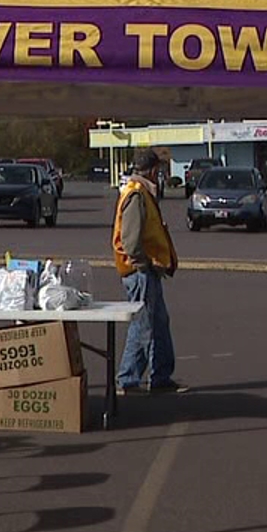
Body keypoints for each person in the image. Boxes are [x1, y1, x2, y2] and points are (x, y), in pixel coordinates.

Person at [113, 150, 184, 395]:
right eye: (160, 171)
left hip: (148, 270)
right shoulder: (135, 195)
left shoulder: (141, 192)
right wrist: (144, 263)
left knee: (159, 323)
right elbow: (130, 241)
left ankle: (161, 376)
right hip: (140, 271)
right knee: (143, 326)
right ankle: (127, 379)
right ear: (153, 171)